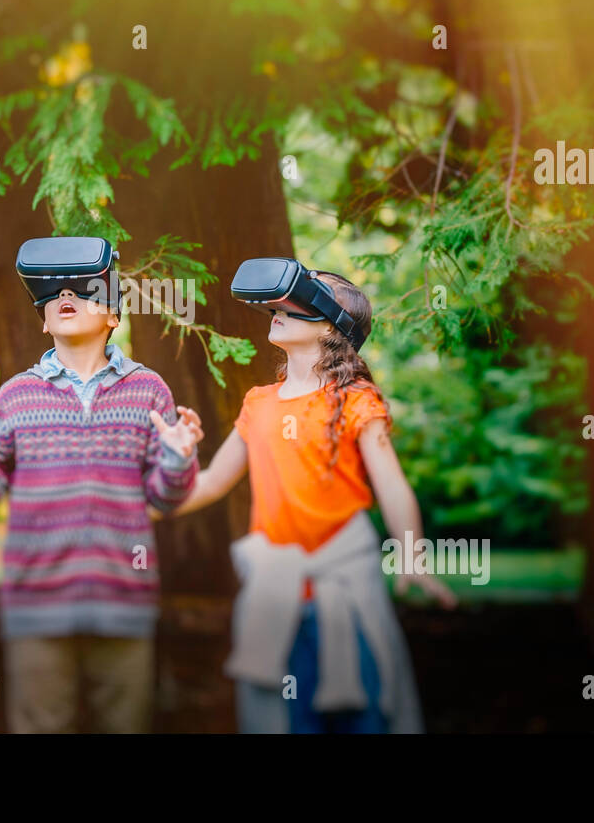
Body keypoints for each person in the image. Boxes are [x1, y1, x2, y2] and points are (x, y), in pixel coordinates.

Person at [0, 253, 203, 733]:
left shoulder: (149, 389)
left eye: (82, 290)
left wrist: (177, 460)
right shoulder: (16, 395)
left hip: (123, 600)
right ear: (45, 323)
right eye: (53, 295)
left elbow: (164, 498)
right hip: (36, 604)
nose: (65, 296)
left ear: (113, 315)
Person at [170, 269, 455, 733]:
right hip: (276, 600)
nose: (278, 309)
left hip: (344, 596)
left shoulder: (356, 399)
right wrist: (136, 500)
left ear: (330, 326)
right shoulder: (258, 403)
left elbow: (392, 485)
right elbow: (208, 484)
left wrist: (412, 557)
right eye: (277, 303)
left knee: (363, 718)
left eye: (299, 301)